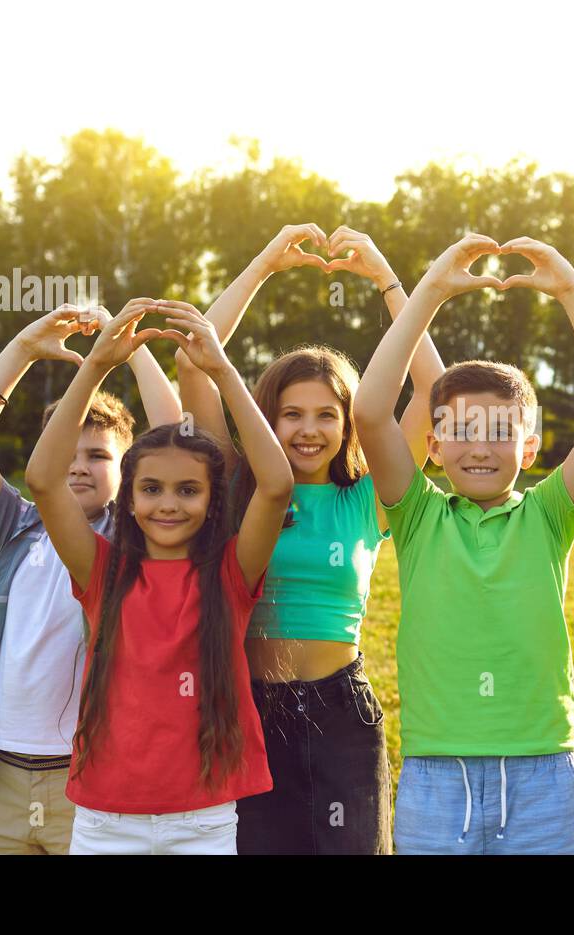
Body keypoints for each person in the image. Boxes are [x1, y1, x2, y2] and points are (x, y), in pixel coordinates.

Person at [354, 233, 574, 854]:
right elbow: (370, 411)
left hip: (541, 773)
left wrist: (571, 289)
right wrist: (428, 290)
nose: (480, 446)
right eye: (460, 430)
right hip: (436, 774)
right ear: (432, 445)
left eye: (501, 430)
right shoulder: (416, 514)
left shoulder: (548, 514)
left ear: (530, 448)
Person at [177, 223, 442, 854]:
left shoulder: (367, 497)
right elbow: (193, 360)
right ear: (266, 416)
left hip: (342, 713)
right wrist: (265, 264)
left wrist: (388, 282)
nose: (308, 430)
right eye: (291, 413)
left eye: (327, 414)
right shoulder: (238, 485)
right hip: (249, 709)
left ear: (349, 422)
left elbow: (435, 392)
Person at [26, 299, 294, 854]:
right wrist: (97, 365)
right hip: (105, 820)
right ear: (129, 496)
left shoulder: (230, 572)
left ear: (212, 499)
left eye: (188, 490)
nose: (168, 505)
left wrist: (220, 369)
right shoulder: (102, 569)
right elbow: (44, 480)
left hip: (204, 818)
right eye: (151, 489)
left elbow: (275, 485)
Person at [0, 303, 181, 854]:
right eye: (67, 452)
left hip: (91, 777)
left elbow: (174, 436)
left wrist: (134, 348)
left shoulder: (135, 537)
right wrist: (22, 348)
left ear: (129, 469)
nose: (77, 466)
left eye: (97, 455)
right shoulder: (16, 526)